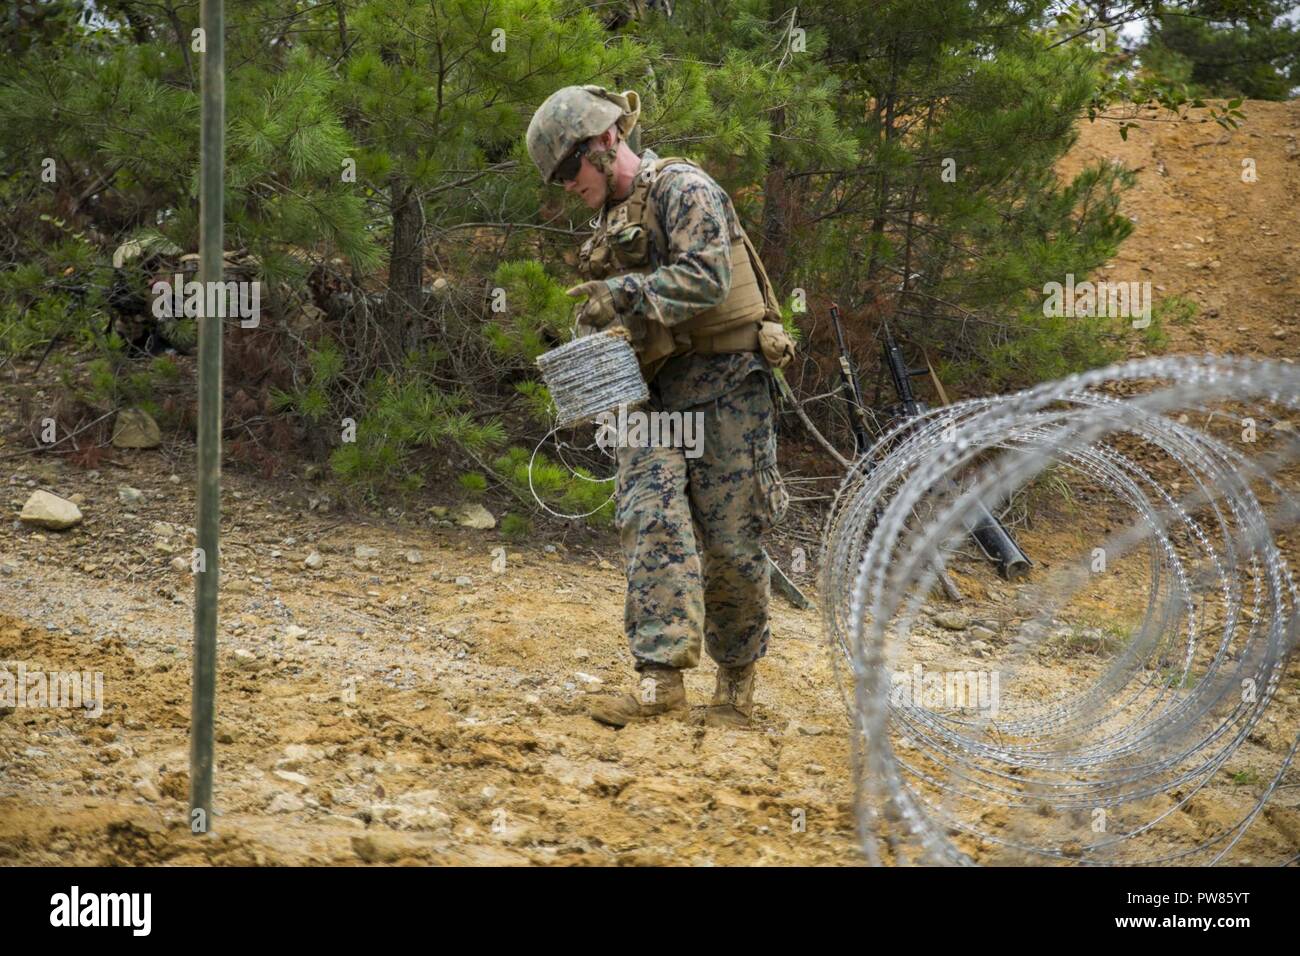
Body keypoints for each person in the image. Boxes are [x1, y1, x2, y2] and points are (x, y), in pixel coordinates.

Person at [526, 85, 793, 729]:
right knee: (651, 519)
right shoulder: (611, 222)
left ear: (605, 141)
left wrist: (622, 295)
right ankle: (660, 677)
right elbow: (630, 309)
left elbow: (708, 278)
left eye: (569, 168)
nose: (567, 185)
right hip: (653, 395)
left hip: (727, 384)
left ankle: (736, 679)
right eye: (557, 177)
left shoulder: (683, 188)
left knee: (730, 541)